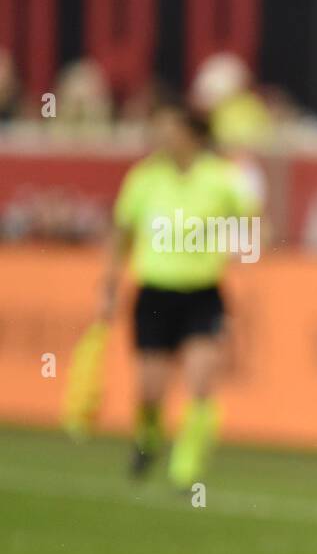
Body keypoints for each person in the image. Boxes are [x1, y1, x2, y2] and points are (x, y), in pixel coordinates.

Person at [98, 99, 260, 488]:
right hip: (155, 293)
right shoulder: (144, 178)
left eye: (171, 130)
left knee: (201, 382)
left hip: (202, 294)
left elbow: (254, 220)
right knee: (151, 388)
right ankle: (148, 437)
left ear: (193, 136)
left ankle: (186, 466)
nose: (163, 137)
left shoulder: (221, 178)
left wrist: (249, 246)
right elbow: (122, 233)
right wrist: (108, 286)